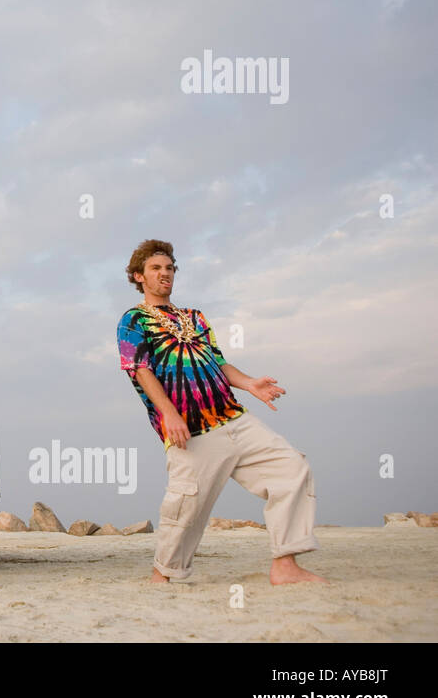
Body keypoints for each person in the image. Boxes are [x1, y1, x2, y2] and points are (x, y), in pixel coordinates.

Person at [117, 239, 326, 586]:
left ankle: (285, 565)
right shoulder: (133, 319)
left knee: (292, 468)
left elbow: (217, 362)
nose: (164, 273)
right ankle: (163, 576)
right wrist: (169, 413)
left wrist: (250, 384)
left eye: (169, 268)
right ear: (139, 276)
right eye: (156, 268)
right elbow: (139, 368)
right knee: (186, 509)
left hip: (233, 417)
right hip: (190, 429)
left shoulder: (195, 318)